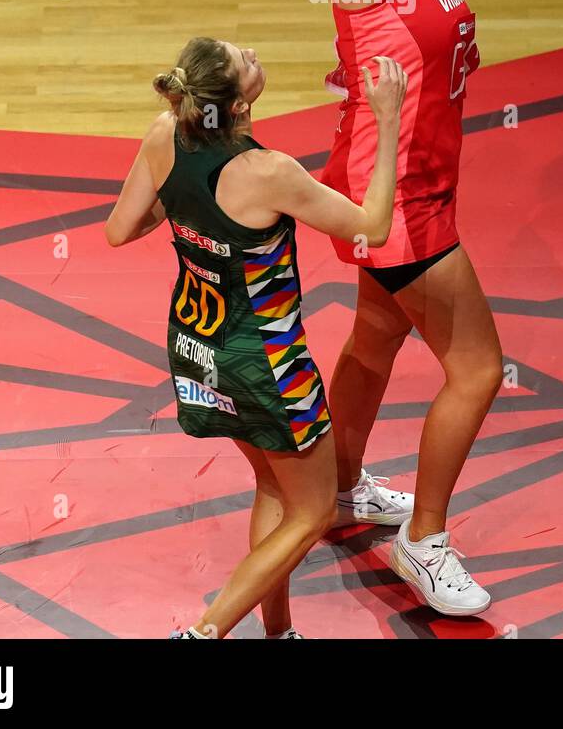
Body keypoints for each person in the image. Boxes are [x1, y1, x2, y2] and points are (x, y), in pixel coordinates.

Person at [105, 37, 408, 639]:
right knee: (316, 509)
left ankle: (279, 632)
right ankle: (203, 632)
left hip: (196, 349)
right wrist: (390, 119)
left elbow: (120, 229)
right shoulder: (268, 173)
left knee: (274, 483)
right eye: (241, 58)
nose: (248, 50)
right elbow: (371, 225)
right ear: (238, 106)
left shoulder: (163, 134)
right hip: (268, 363)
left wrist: (189, 210)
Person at [322, 0, 508, 616]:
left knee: (372, 342)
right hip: (398, 198)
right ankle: (423, 540)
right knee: (475, 367)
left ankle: (338, 486)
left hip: (410, 180)